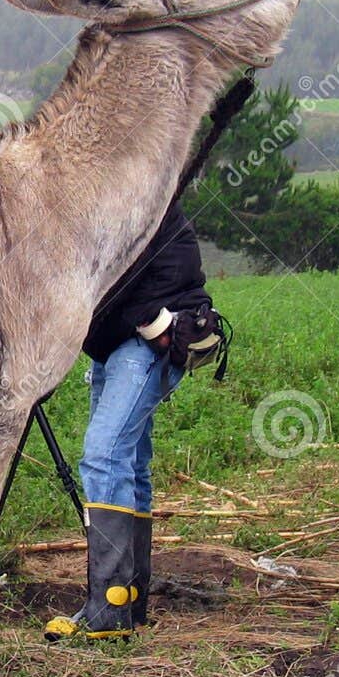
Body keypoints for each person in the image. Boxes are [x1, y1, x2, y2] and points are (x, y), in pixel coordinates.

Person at [44, 199, 220, 641]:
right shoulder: (116, 192)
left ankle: (107, 611)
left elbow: (159, 267)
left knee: (103, 455)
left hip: (143, 346)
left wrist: (150, 319)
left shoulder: (141, 195)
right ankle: (129, 603)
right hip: (115, 347)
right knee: (130, 464)